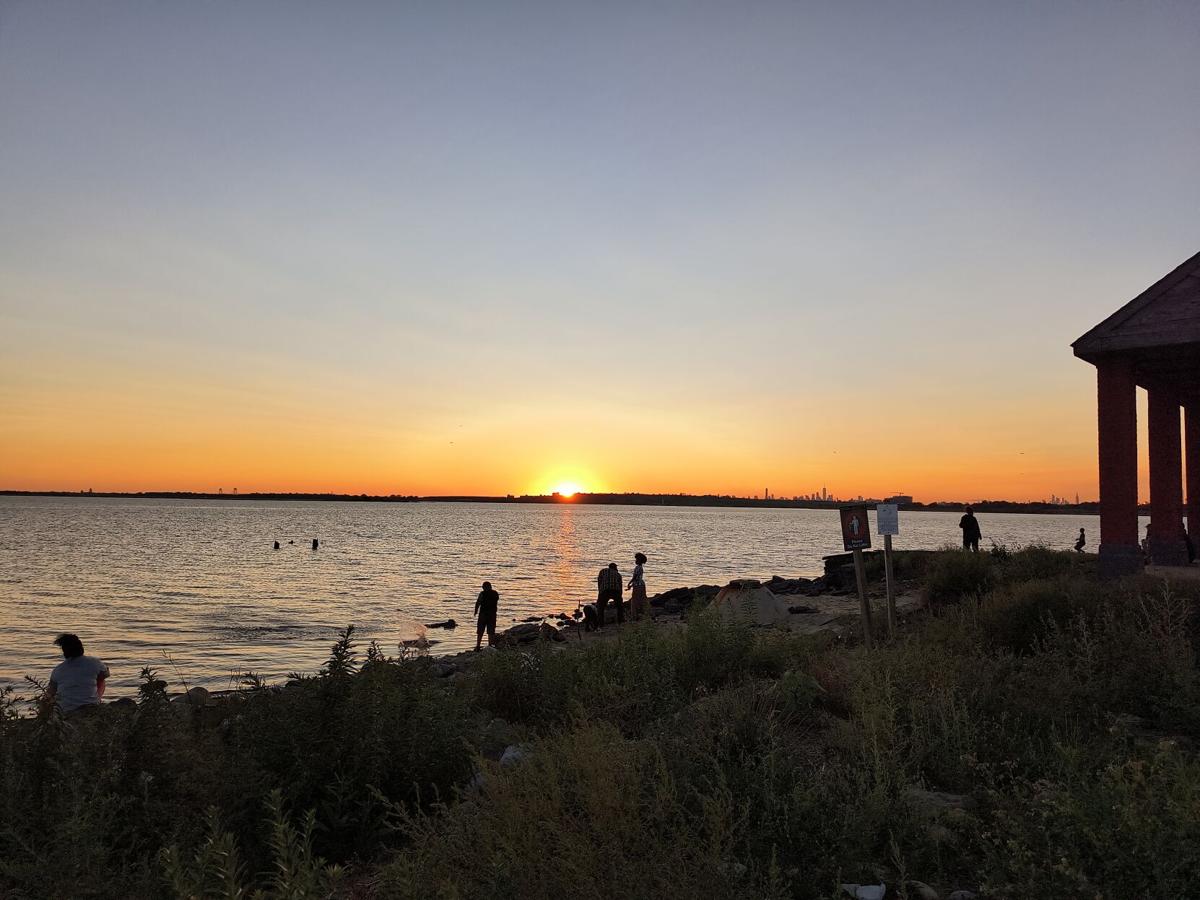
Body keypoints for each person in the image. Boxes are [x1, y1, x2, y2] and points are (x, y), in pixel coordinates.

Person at [43, 633, 109, 715]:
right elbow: (106, 674)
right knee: (101, 679)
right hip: (90, 708)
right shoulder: (94, 662)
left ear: (64, 651)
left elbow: (50, 693)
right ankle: (96, 700)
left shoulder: (58, 670)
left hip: (66, 710)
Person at [596, 562, 623, 628]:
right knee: (619, 607)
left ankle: (601, 624)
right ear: (615, 568)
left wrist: (600, 592)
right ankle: (620, 622)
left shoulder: (602, 571)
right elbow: (620, 586)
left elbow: (599, 582)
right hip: (615, 591)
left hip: (604, 591)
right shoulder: (618, 574)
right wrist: (620, 596)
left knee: (600, 607)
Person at [474, 581, 499, 651]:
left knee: (480, 631)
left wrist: (475, 611)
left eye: (483, 587)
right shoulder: (495, 593)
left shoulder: (482, 593)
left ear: (485, 587)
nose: (482, 588)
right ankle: (490, 645)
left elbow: (478, 602)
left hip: (483, 614)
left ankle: (478, 646)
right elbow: (496, 601)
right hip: (492, 614)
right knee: (491, 631)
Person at [628, 552, 648, 620]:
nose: (635, 561)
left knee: (634, 600)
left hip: (637, 585)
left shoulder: (637, 568)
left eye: (636, 559)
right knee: (642, 599)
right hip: (641, 584)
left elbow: (635, 577)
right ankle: (644, 614)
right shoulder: (640, 567)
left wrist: (629, 583)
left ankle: (634, 616)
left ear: (639, 560)